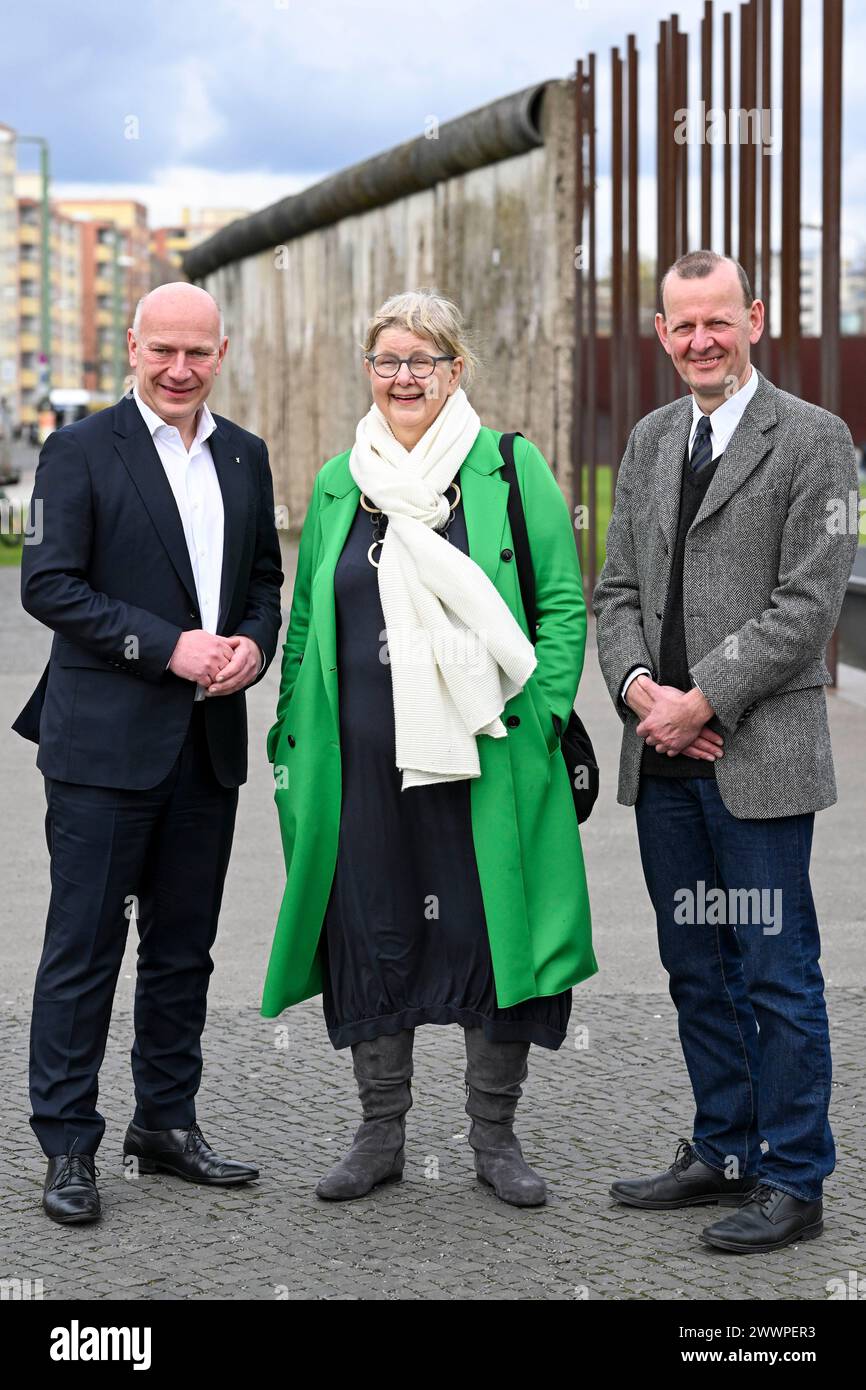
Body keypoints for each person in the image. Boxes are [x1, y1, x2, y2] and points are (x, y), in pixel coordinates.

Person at [263, 288, 595, 1207]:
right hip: (362, 769)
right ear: (369, 372)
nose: (404, 376)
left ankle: (495, 1139)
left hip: (487, 753)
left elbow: (562, 607)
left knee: (497, 937)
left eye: (424, 360)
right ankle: (379, 1135)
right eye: (387, 361)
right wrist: (290, 727)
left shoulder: (506, 467)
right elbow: (305, 623)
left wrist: (545, 718)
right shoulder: (341, 480)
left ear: (457, 370)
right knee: (374, 935)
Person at [593, 250, 859, 1253]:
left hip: (754, 758)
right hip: (660, 759)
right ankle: (724, 1146)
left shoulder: (813, 440)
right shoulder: (653, 437)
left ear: (752, 317)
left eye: (718, 321)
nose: (700, 340)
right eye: (681, 325)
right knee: (694, 966)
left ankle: (794, 1175)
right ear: (660, 332)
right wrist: (634, 692)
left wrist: (699, 697)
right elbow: (615, 588)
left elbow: (806, 605)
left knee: (773, 969)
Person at [13, 282, 283, 1225]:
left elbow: (263, 582)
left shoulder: (244, 455)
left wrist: (254, 644)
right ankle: (68, 1144)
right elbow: (48, 587)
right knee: (84, 950)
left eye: (197, 353)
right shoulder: (78, 449)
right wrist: (168, 646)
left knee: (183, 951)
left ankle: (165, 1124)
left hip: (205, 745)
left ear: (221, 351)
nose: (179, 369)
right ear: (132, 346)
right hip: (101, 750)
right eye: (162, 350)